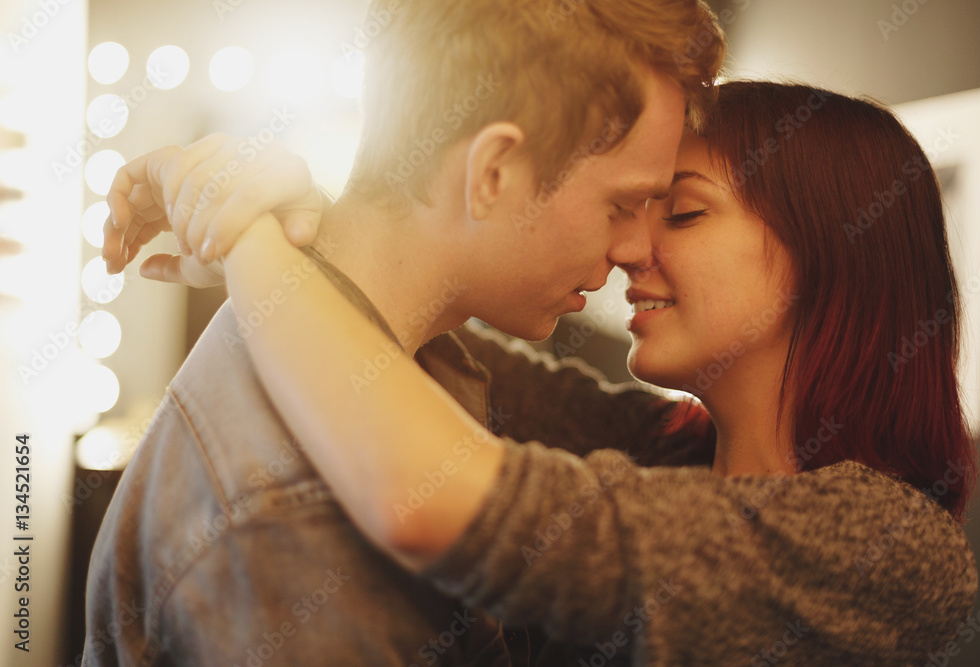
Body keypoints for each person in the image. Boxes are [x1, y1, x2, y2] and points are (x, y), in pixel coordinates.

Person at [145, 81, 979, 664]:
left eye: (680, 212)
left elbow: (453, 501)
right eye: (630, 209)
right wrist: (288, 213)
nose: (630, 252)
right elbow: (400, 329)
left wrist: (248, 240)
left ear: (833, 251)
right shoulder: (657, 447)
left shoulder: (893, 550)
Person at [85, 0, 724, 665]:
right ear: (493, 173)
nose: (633, 247)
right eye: (622, 205)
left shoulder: (405, 362)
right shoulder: (294, 523)